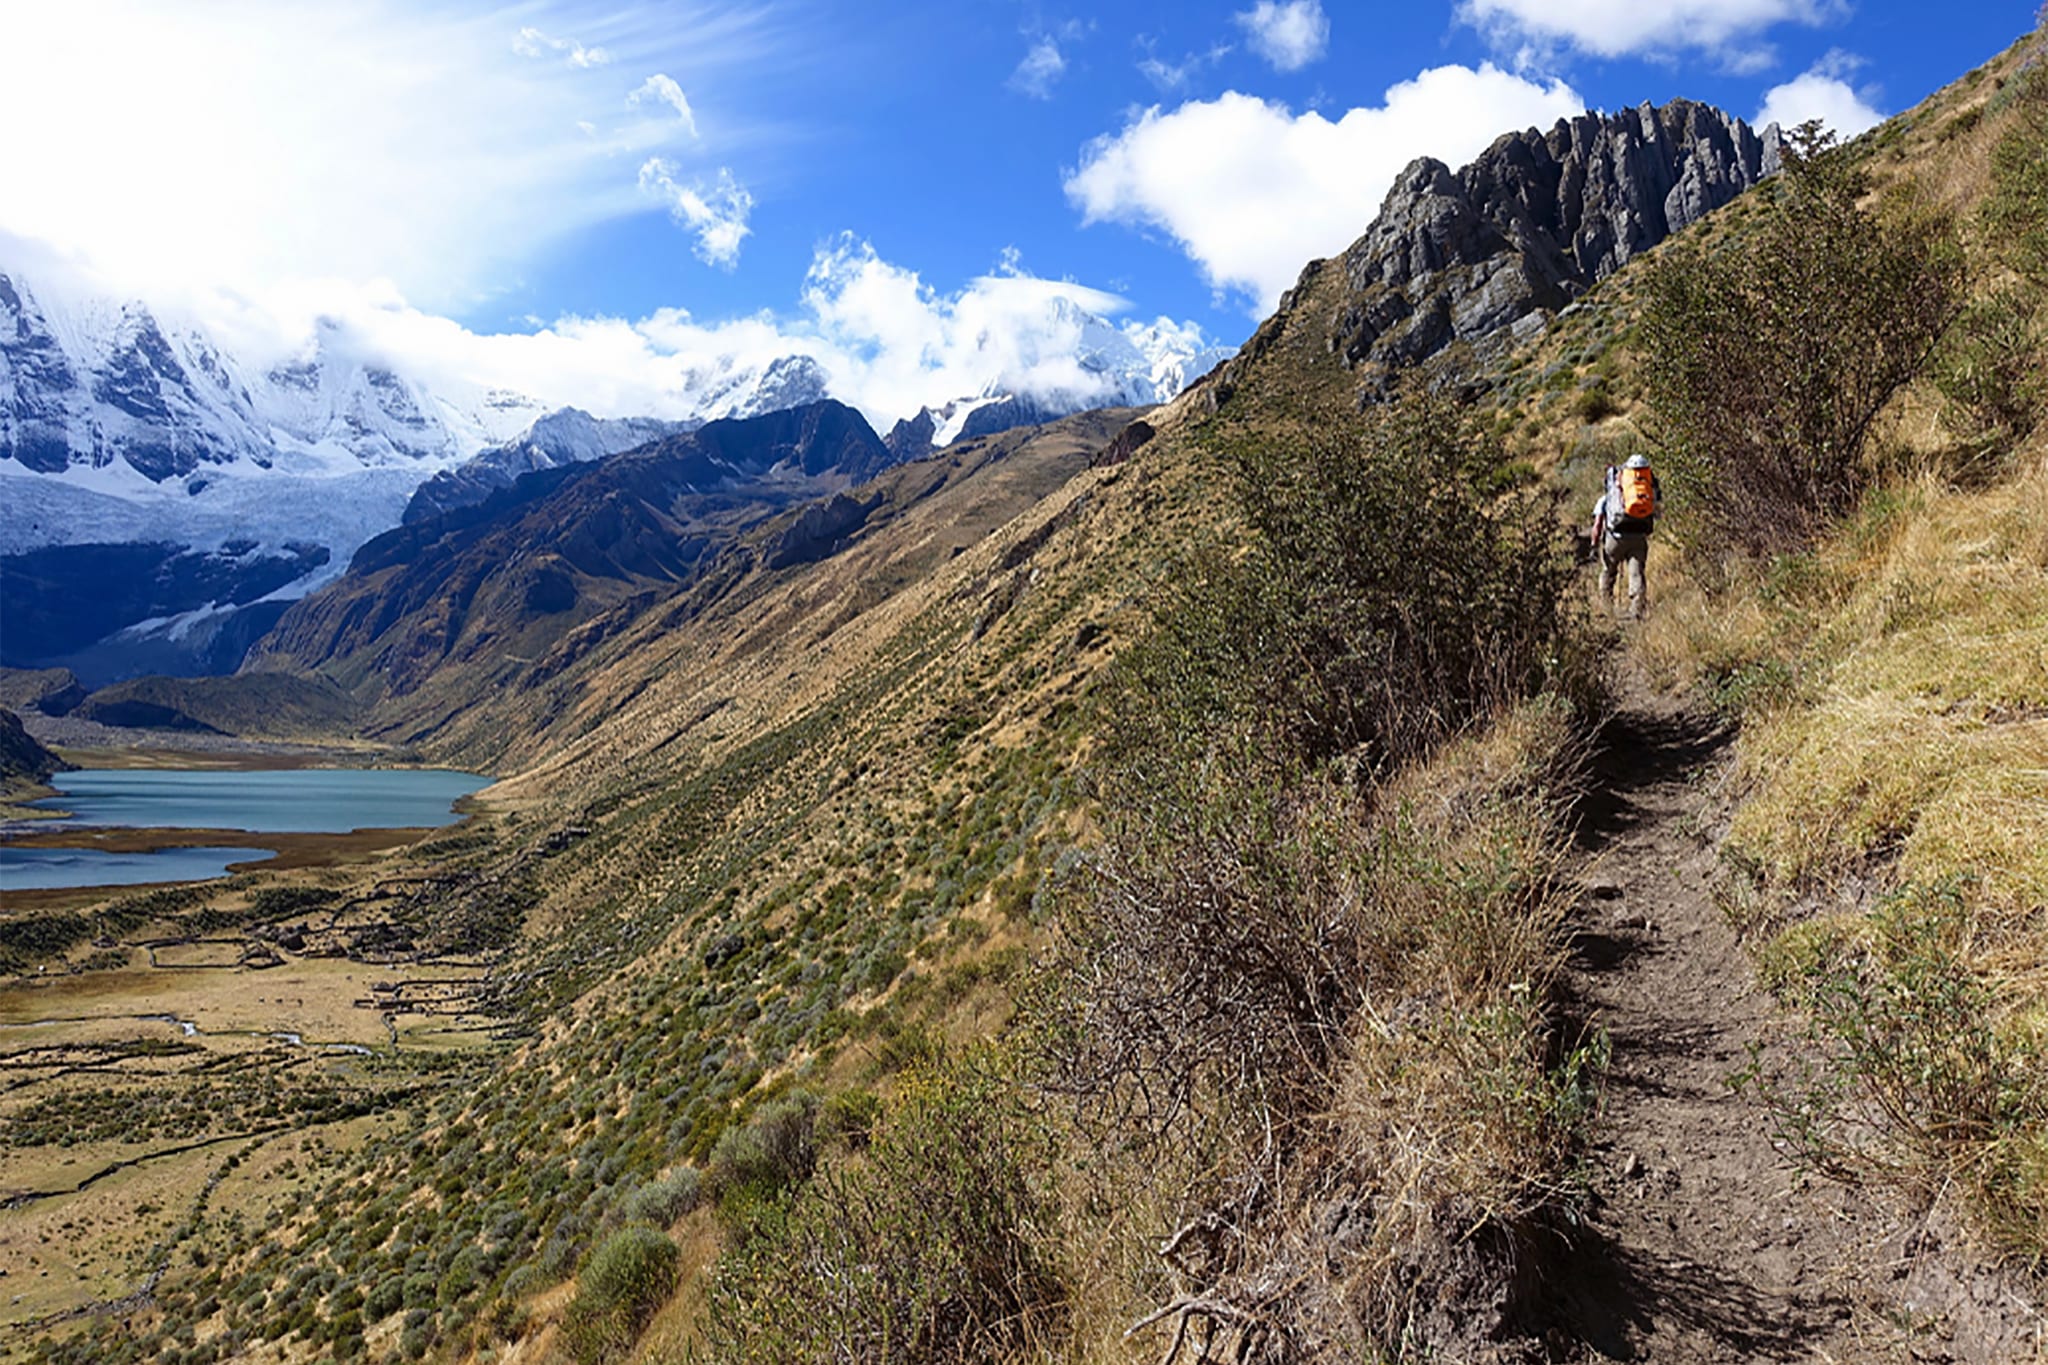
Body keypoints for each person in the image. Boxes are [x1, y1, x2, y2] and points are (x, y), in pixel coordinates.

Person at [1591, 452, 1661, 619]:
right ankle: (1636, 611)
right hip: (1638, 537)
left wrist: (1594, 544)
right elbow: (1657, 514)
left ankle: (1607, 608)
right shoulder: (1647, 492)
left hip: (1614, 539)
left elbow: (1597, 525)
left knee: (1608, 571)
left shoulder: (1608, 497)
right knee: (1636, 573)